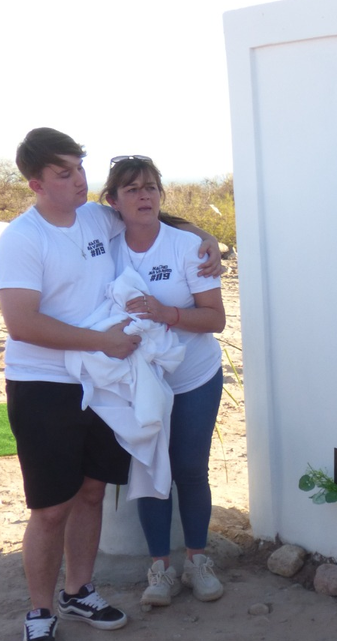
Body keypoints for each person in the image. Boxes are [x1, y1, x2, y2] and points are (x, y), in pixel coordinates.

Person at [0, 128, 222, 641]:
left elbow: (153, 216)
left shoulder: (97, 217)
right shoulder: (22, 239)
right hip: (45, 383)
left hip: (105, 382)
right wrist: (101, 342)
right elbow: (21, 324)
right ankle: (39, 612)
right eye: (64, 173)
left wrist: (202, 235)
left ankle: (79, 592)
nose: (79, 180)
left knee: (93, 492)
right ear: (36, 184)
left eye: (80, 168)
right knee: (50, 508)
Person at [99, 155, 228, 610]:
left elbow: (215, 319)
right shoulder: (104, 248)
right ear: (113, 201)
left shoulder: (186, 247)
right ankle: (160, 570)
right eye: (132, 189)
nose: (144, 196)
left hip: (194, 377)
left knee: (190, 469)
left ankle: (197, 562)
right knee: (150, 470)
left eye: (151, 187)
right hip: (135, 382)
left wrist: (164, 312)